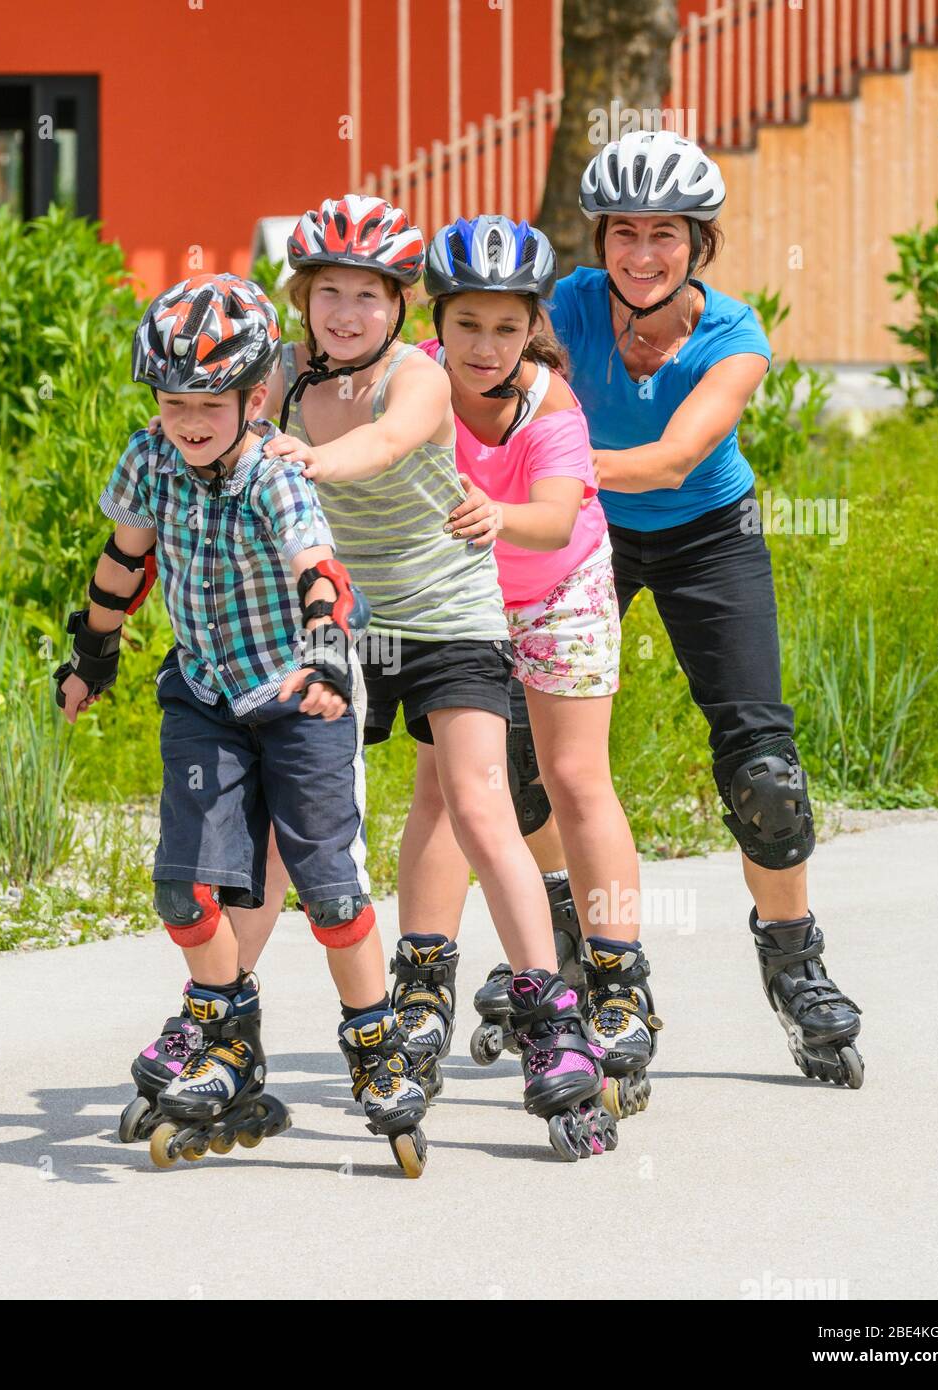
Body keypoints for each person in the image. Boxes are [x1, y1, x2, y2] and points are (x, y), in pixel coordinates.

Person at [263, 196, 617, 1160]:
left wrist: (307, 459)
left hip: (453, 614)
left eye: (366, 296)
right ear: (301, 300)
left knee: (476, 802)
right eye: (326, 293)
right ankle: (225, 1015)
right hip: (353, 621)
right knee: (283, 816)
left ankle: (555, 1023)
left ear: (399, 305)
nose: (344, 313)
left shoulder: (416, 376)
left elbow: (379, 446)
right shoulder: (285, 379)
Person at [56, 272, 431, 1176]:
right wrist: (94, 657)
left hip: (302, 696)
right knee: (183, 889)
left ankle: (375, 1048)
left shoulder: (276, 470)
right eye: (171, 400)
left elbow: (318, 567)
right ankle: (228, 1038)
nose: (186, 420)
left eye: (206, 403)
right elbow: (122, 561)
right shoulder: (149, 460)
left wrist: (329, 651)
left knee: (329, 889)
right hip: (204, 696)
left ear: (252, 396)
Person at [535, 128, 862, 1088]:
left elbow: (674, 459)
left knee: (764, 770)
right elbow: (470, 362)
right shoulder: (563, 309)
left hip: (706, 530)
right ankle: (570, 948)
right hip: (581, 532)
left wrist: (539, 472)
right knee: (524, 760)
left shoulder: (735, 337)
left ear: (699, 243)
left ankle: (795, 965)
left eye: (665, 234)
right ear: (598, 241)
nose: (641, 253)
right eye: (623, 232)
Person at [406, 214, 658, 1119]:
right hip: (459, 598)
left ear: (531, 328)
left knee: (573, 775)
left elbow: (554, 517)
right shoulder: (413, 385)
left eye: (506, 327)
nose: (484, 346)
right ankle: (422, 986)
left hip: (560, 585)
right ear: (437, 318)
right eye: (466, 324)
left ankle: (618, 976)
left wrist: (493, 514)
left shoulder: (550, 403)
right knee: (444, 785)